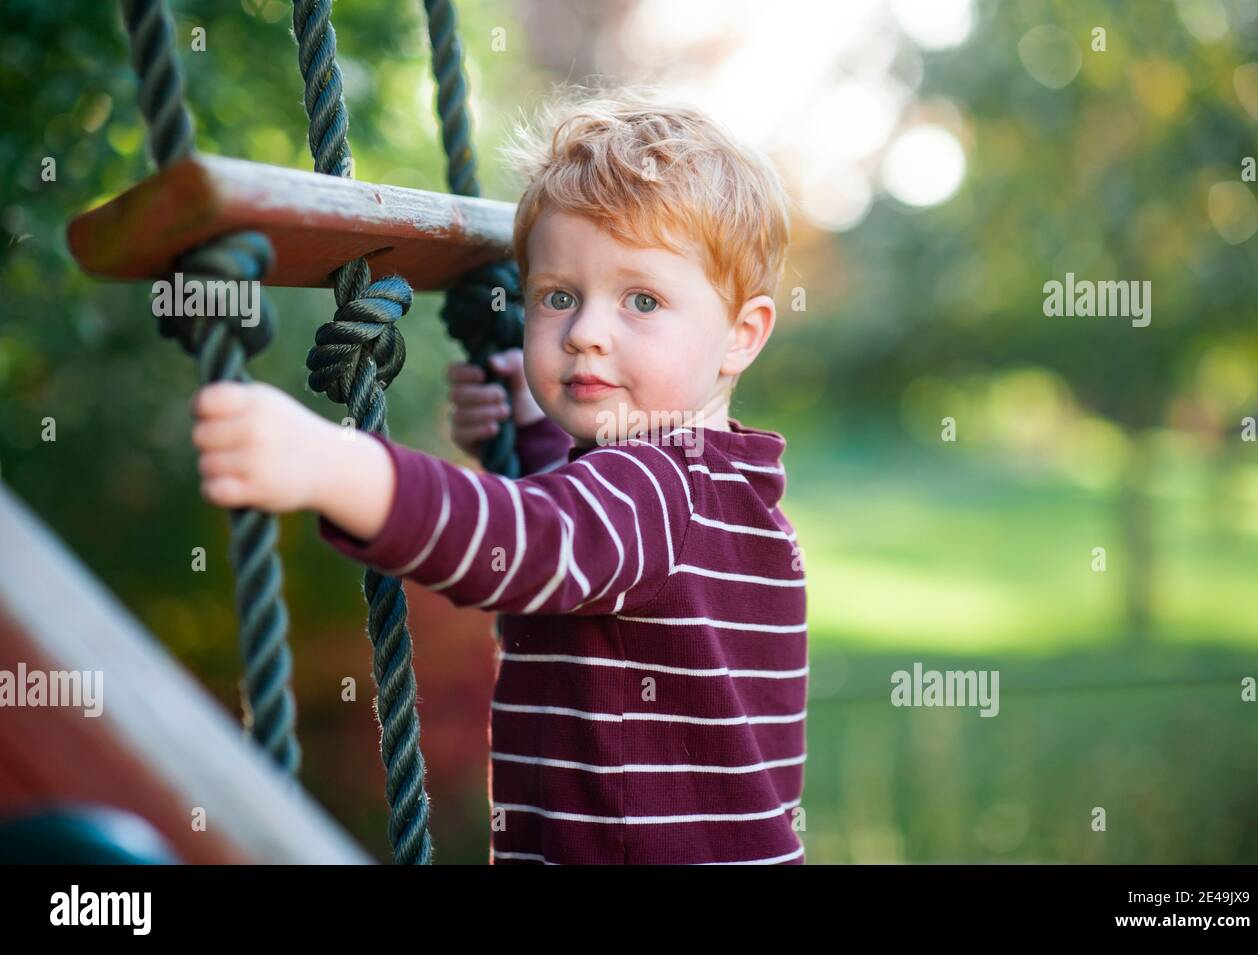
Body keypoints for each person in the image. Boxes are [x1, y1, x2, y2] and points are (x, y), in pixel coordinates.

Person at [189, 85, 806, 864]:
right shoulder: (719, 489)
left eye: (641, 299)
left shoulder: (662, 490)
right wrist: (534, 434)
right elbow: (599, 563)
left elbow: (536, 544)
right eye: (557, 297)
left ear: (740, 336)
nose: (584, 333)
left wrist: (336, 466)